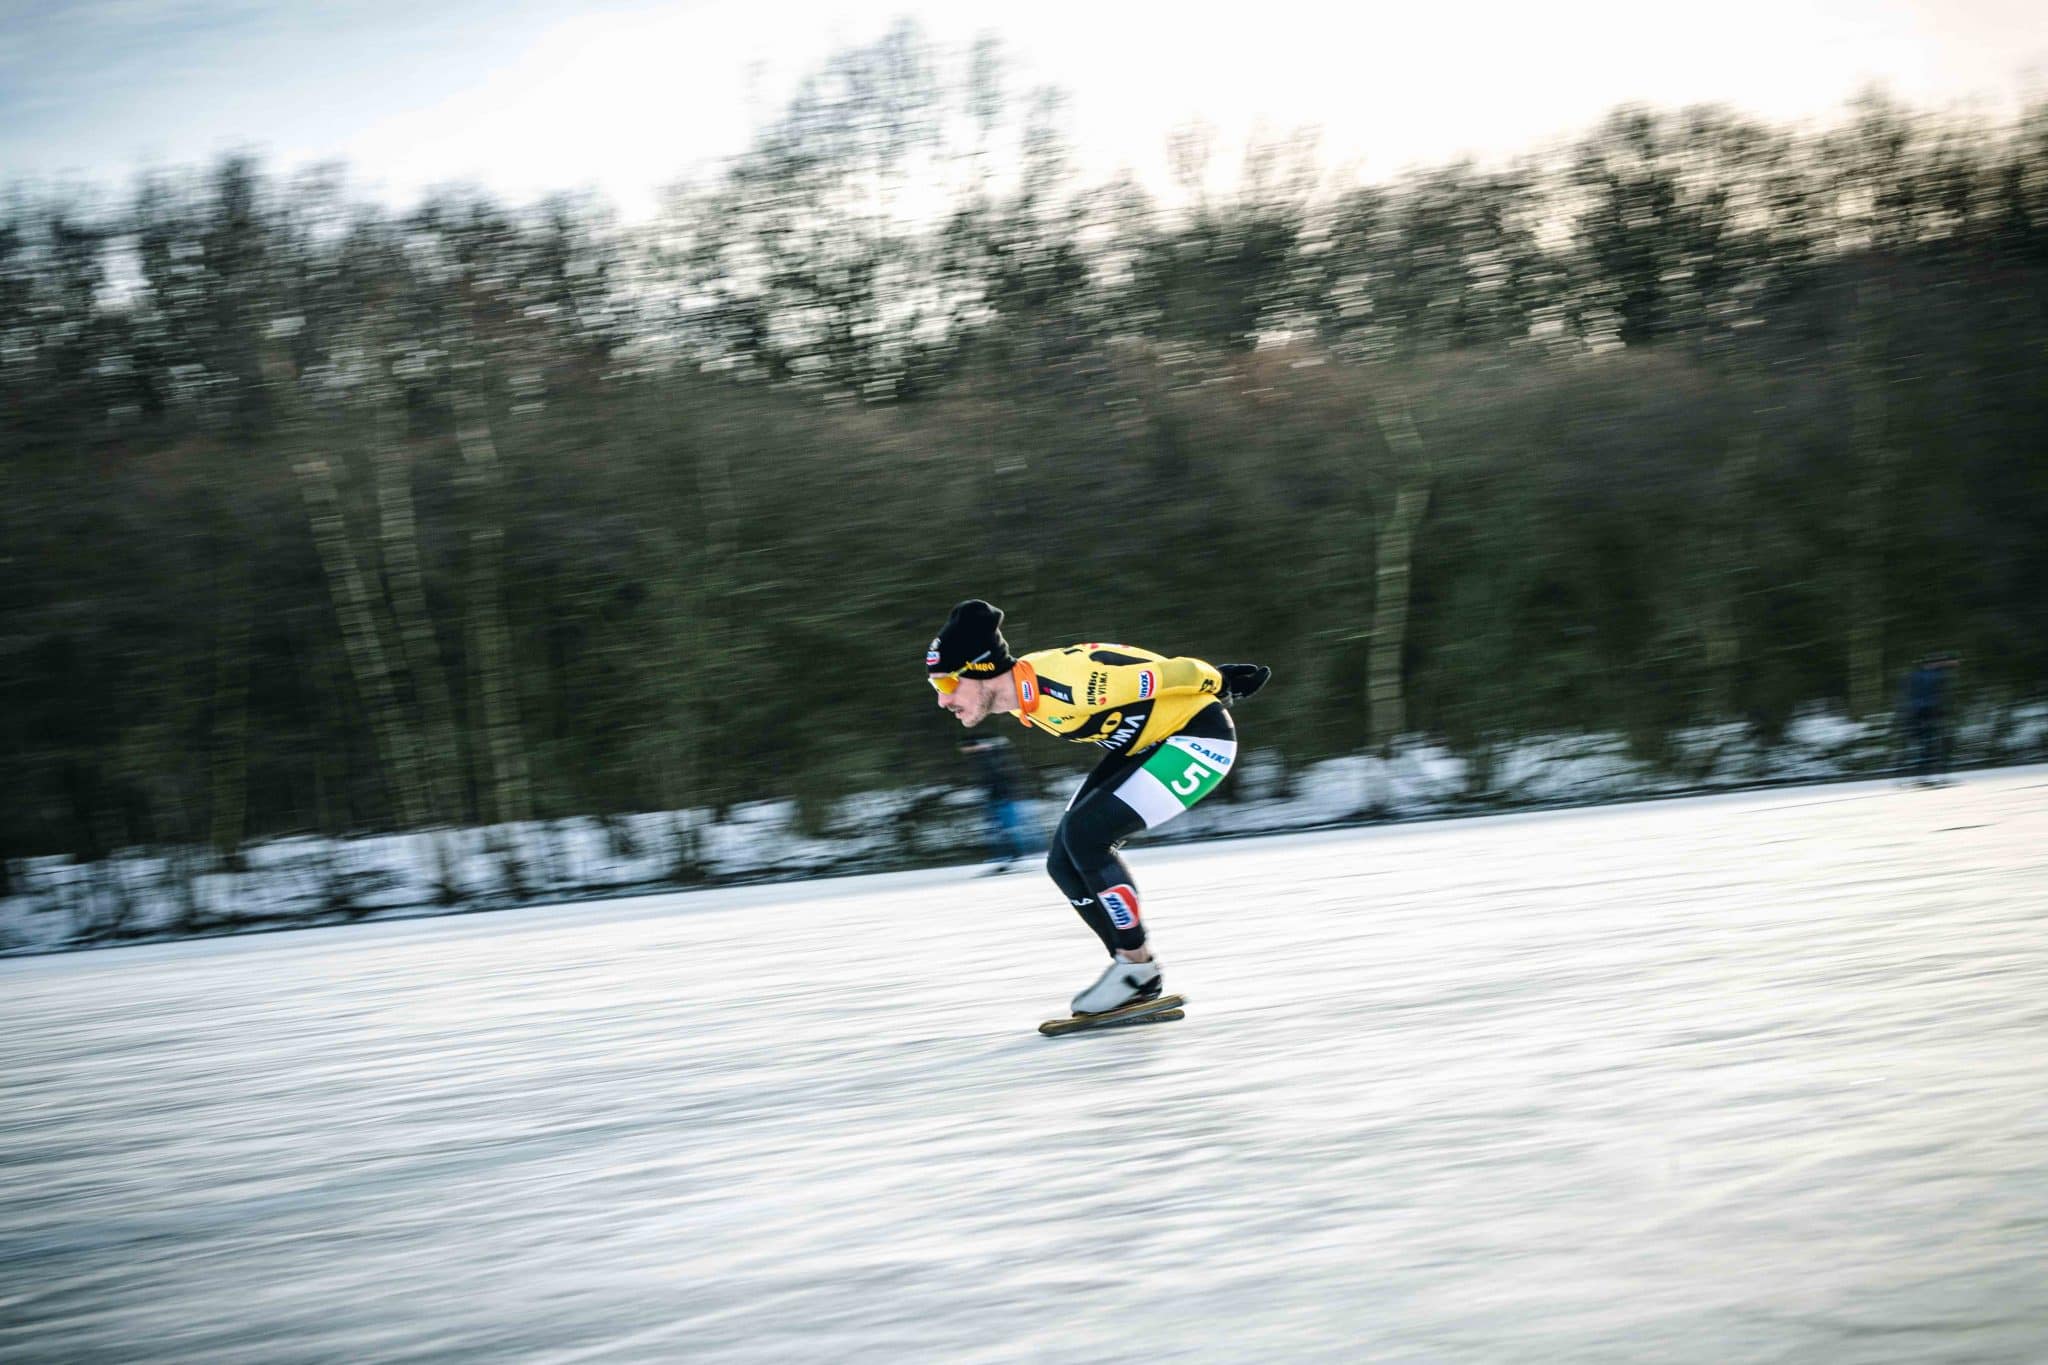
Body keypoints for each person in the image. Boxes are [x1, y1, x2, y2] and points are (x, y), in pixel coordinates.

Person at [925, 599, 1270, 1016]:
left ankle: (1136, 967)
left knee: (1087, 838)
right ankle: (1134, 971)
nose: (943, 701)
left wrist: (1220, 680)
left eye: (946, 686)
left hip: (1199, 739)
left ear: (980, 670)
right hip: (1150, 742)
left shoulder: (1068, 686)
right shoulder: (1024, 697)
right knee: (1062, 861)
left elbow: (1171, 673)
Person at [957, 734, 1040, 871]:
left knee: (1007, 829)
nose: (963, 751)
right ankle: (1006, 858)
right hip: (996, 797)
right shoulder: (981, 756)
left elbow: (998, 777)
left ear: (970, 747)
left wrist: (997, 794)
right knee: (999, 830)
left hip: (1001, 797)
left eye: (964, 748)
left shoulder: (986, 756)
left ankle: (1015, 858)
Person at [1898, 651, 1960, 783]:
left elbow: (1906, 693)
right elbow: (1942, 694)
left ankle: (1923, 775)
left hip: (1918, 712)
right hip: (1930, 712)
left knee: (1925, 743)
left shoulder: (1914, 675)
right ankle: (1934, 776)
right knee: (1933, 743)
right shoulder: (1934, 676)